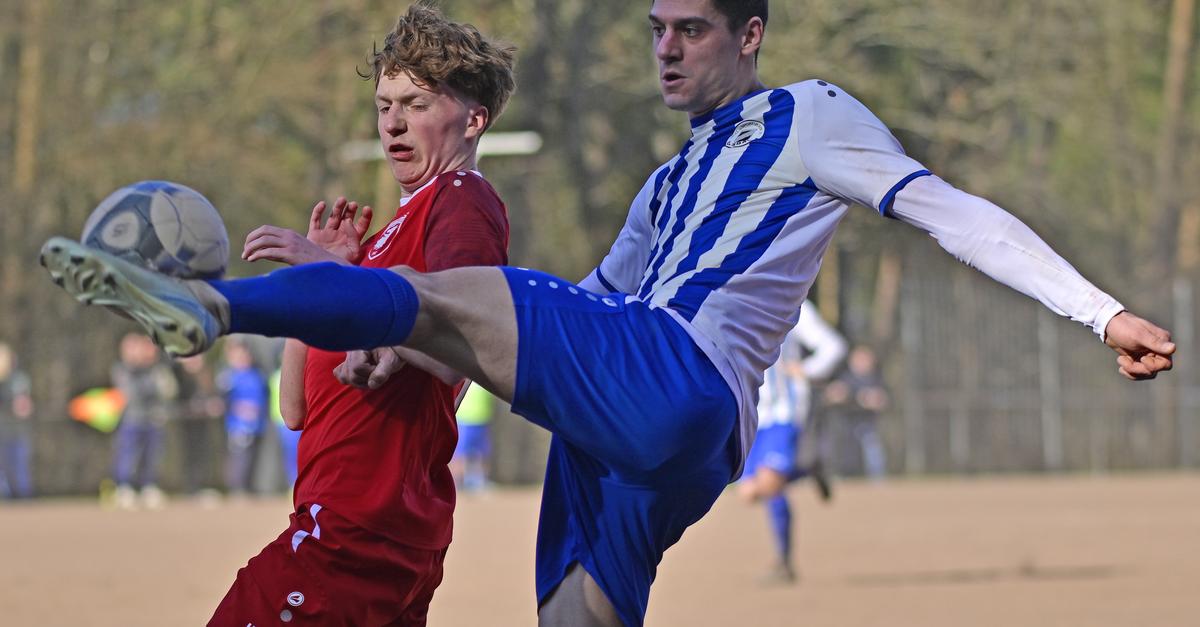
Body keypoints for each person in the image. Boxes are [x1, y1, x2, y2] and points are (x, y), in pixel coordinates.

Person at [41, 0, 1176, 624]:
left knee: (448, 295)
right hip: (650, 436)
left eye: (692, 30)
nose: (666, 49)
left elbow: (952, 213)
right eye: (656, 29)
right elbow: (582, 310)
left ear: (751, 35)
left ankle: (209, 305)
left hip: (678, 378)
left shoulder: (812, 116)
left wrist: (1099, 311)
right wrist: (417, 336)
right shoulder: (667, 183)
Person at [210, 6, 511, 625]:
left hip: (356, 533)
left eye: (416, 104)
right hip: (356, 528)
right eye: (383, 106)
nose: (393, 123)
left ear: (473, 119)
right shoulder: (379, 247)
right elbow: (295, 410)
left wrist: (346, 286)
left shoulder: (460, 198)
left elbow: (466, 341)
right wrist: (319, 288)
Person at [737, 300, 845, 584]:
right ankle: (808, 468)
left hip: (786, 410)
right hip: (756, 415)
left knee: (770, 482)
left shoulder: (792, 303)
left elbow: (833, 347)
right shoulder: (733, 301)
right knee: (749, 493)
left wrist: (807, 370)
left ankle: (783, 563)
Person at [110, 332, 178, 509]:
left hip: (154, 420)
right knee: (128, 454)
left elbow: (168, 391)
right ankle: (124, 487)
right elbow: (130, 393)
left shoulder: (158, 370)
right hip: (132, 419)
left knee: (153, 455)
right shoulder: (122, 370)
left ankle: (149, 486)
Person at [824, 345, 889, 480]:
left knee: (872, 448)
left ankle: (878, 479)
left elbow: (883, 400)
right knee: (843, 451)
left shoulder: (876, 378)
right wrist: (843, 396)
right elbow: (832, 395)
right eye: (859, 359)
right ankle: (841, 475)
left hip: (867, 423)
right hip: (846, 423)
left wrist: (875, 400)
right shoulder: (845, 378)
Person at [216, 338, 267, 498]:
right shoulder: (228, 377)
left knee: (253, 458)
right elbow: (222, 401)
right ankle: (237, 489)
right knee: (239, 458)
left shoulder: (256, 375)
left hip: (256, 425)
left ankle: (248, 488)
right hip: (238, 426)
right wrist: (238, 407)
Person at [176, 354, 225, 499]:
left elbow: (212, 395)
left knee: (204, 453)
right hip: (187, 423)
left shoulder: (206, 375)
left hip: (203, 422)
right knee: (189, 454)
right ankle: (191, 487)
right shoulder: (180, 375)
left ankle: (202, 485)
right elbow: (178, 398)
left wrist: (213, 404)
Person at [0, 342, 35, 500]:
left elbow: (23, 408)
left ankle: (24, 500)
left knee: (20, 470)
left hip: (17, 432)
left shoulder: (18, 380)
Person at [453, 383, 495, 492]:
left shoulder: (486, 379)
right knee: (460, 453)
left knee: (483, 451)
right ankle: (458, 481)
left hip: (482, 420)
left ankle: (482, 480)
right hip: (464, 420)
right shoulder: (463, 379)